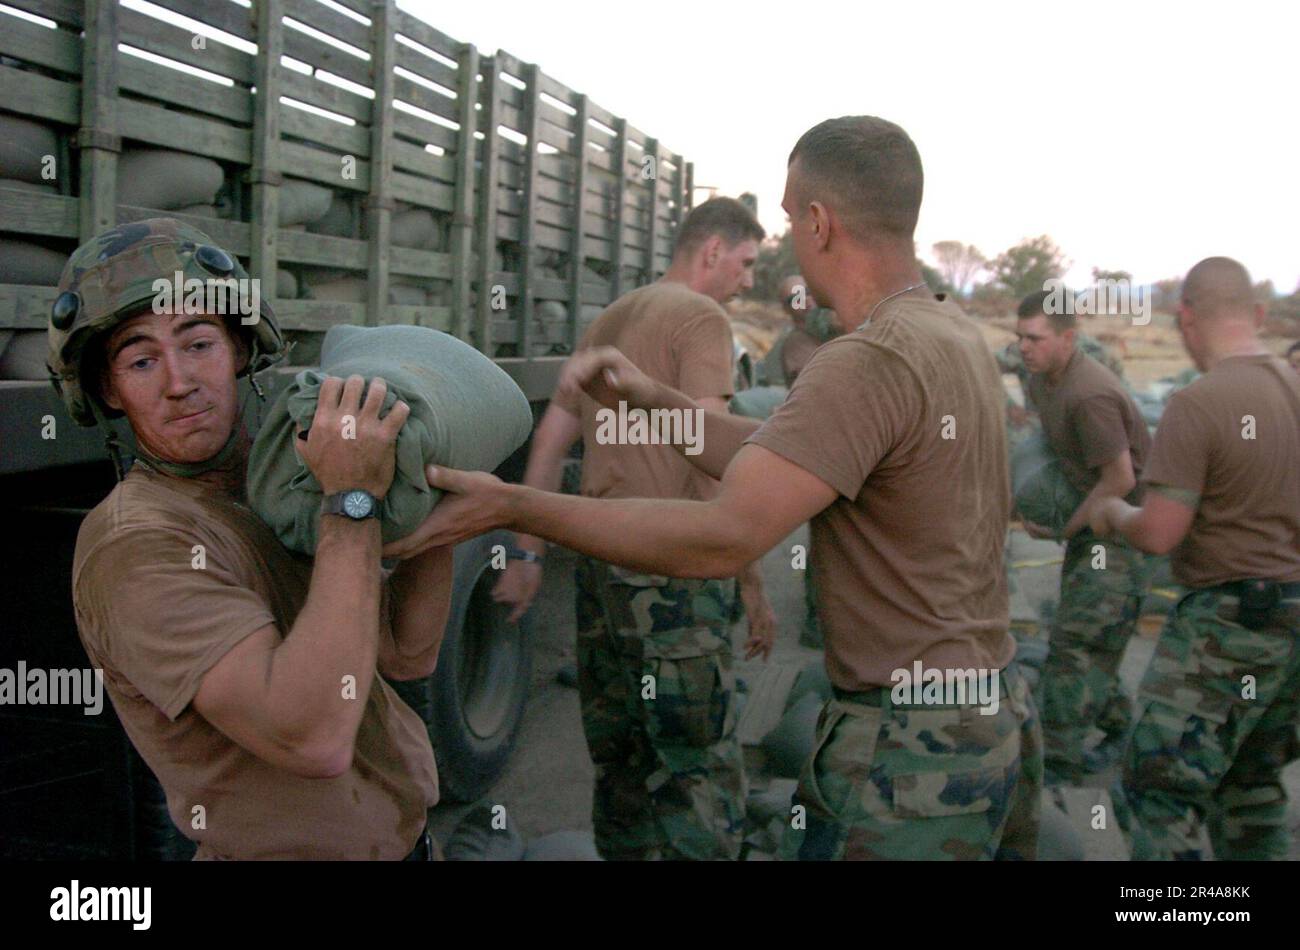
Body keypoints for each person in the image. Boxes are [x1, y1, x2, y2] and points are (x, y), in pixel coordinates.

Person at [388, 116, 1042, 861]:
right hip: (988, 710)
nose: (791, 243)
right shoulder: (954, 337)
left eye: (795, 220)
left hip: (910, 747)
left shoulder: (867, 360)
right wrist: (650, 398)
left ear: (820, 223)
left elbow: (724, 534)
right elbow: (779, 451)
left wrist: (511, 506)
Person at [51, 219, 449, 860]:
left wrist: (430, 502)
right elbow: (310, 737)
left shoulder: (279, 484)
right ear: (108, 391)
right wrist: (352, 503)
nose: (179, 382)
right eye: (142, 360)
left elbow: (408, 653)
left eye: (199, 343)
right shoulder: (134, 546)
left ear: (239, 350)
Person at [489, 197, 775, 860]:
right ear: (711, 252)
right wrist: (752, 580)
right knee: (694, 768)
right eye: (747, 262)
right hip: (674, 577)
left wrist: (528, 554)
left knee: (621, 763)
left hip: (600, 569)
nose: (751, 278)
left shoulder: (611, 319)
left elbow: (551, 441)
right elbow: (707, 456)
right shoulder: (704, 319)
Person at [1093, 256, 1300, 860]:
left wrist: (1113, 513)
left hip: (1228, 627)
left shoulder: (1199, 403)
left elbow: (1159, 533)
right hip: (1293, 624)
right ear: (1257, 314)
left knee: (1157, 790)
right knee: (1251, 788)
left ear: (1185, 318)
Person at [1014, 290, 1152, 784]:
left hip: (1119, 529)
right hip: (1090, 521)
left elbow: (1120, 479)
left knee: (1077, 641)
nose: (1024, 348)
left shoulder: (1089, 394)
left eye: (1036, 338)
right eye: (1020, 337)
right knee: (1088, 637)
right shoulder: (1040, 380)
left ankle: (1059, 763)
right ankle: (1123, 729)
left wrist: (1061, 530)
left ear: (1069, 338)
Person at [762, 273, 839, 387]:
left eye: (808, 292)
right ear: (786, 309)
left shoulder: (831, 325)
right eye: (796, 298)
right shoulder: (794, 343)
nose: (805, 300)